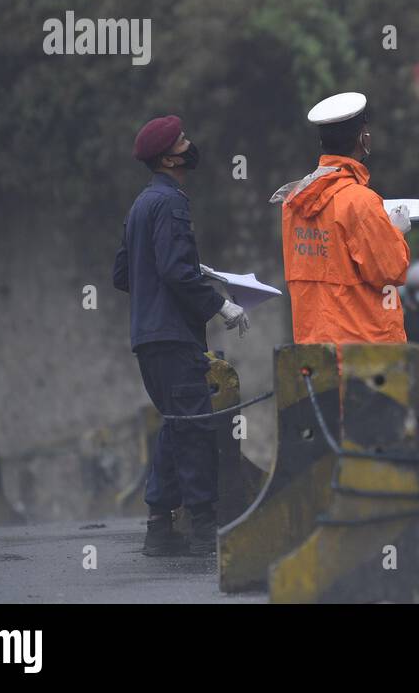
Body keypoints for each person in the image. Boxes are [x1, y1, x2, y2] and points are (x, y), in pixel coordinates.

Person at [112, 115, 248, 557]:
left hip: (147, 338)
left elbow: (122, 273)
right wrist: (218, 303)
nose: (191, 144)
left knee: (175, 424)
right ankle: (206, 530)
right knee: (194, 429)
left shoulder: (140, 205)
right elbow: (173, 270)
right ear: (170, 157)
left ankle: (158, 527)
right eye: (183, 140)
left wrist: (175, 277)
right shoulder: (171, 202)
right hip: (174, 337)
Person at [278, 92, 411, 344]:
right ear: (363, 138)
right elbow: (389, 271)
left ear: (322, 143)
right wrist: (396, 231)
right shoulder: (361, 201)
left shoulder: (292, 203)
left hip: (315, 349)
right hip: (365, 351)